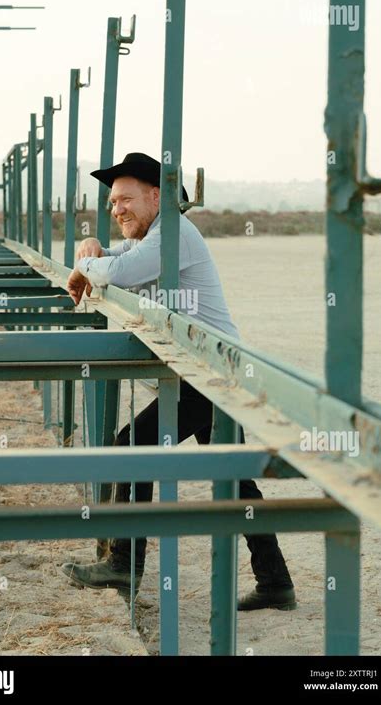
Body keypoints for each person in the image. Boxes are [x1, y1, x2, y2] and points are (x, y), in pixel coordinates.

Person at [63, 152, 296, 611]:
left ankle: (124, 564)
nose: (117, 209)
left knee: (134, 445)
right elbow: (110, 257)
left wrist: (86, 262)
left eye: (126, 199)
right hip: (207, 371)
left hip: (213, 374)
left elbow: (116, 273)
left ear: (156, 197)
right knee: (234, 480)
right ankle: (275, 583)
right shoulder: (152, 236)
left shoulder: (173, 234)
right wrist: (89, 246)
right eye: (112, 203)